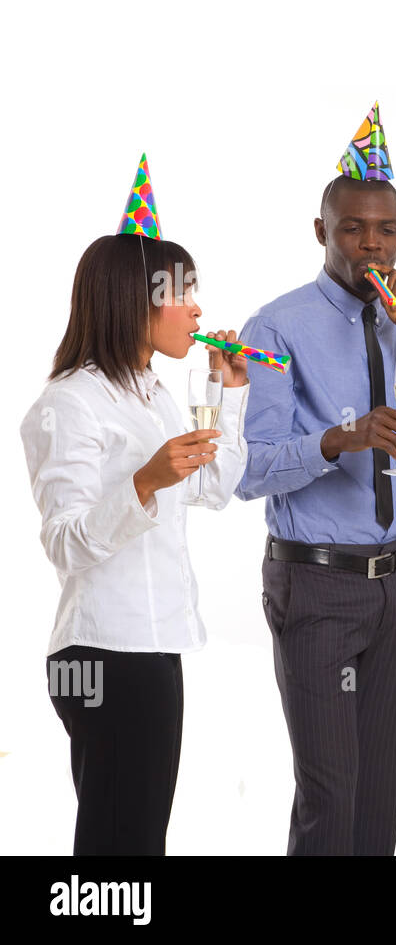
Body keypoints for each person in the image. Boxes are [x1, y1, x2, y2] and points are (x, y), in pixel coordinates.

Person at [235, 103, 396, 855]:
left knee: (377, 799)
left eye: (387, 230)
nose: (372, 244)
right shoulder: (276, 328)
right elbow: (252, 469)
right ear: (321, 231)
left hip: (395, 587)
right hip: (317, 587)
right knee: (331, 801)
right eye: (353, 228)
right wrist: (340, 438)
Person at [19, 155, 249, 854]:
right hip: (103, 655)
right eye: (183, 293)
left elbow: (214, 487)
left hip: (151, 650)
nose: (199, 309)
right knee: (122, 844)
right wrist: (143, 483)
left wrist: (230, 394)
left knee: (129, 839)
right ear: (134, 301)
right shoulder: (70, 404)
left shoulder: (152, 395)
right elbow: (63, 541)